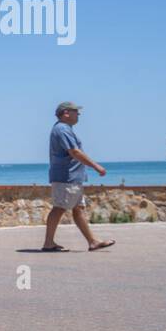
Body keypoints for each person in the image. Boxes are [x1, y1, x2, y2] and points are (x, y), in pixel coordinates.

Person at [42, 102, 114, 252]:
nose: (79, 114)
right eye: (76, 111)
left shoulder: (65, 129)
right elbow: (74, 152)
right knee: (59, 208)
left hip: (73, 177)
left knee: (78, 209)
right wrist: (95, 166)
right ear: (66, 113)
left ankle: (92, 241)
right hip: (66, 177)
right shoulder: (62, 129)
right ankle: (48, 243)